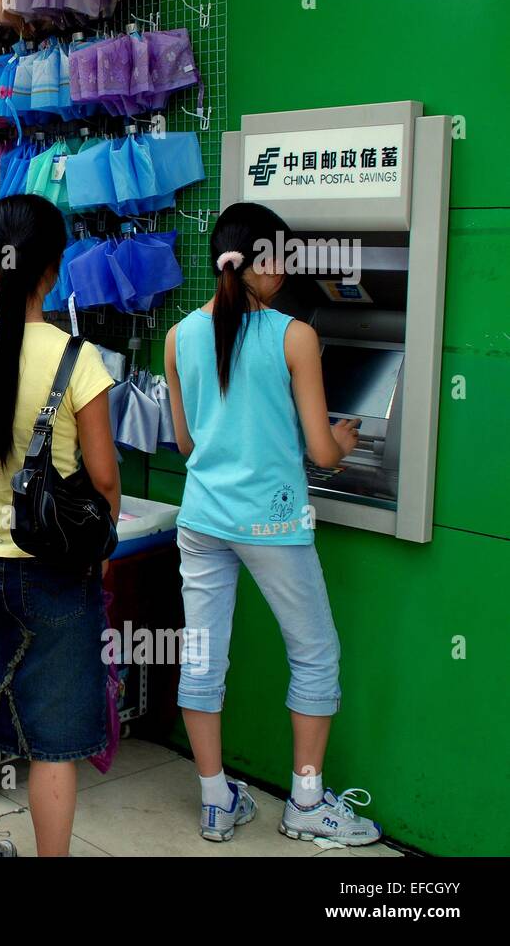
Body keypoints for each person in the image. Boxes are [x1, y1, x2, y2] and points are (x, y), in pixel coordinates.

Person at [163, 201, 382, 846]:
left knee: (202, 658)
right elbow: (320, 452)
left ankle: (213, 801)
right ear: (260, 261)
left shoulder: (180, 336)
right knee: (315, 654)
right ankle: (307, 802)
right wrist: (343, 437)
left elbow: (183, 442)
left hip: (202, 518)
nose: (288, 267)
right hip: (271, 524)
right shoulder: (295, 336)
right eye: (283, 254)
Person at [0, 194, 120, 858]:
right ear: (54, 268)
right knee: (54, 740)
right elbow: (102, 479)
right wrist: (101, 543)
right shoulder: (79, 360)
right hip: (58, 568)